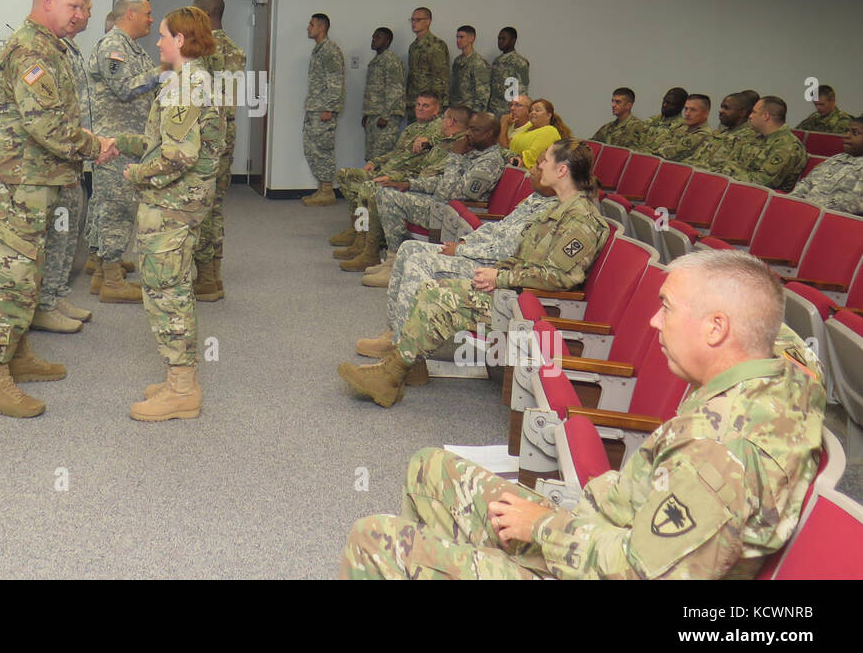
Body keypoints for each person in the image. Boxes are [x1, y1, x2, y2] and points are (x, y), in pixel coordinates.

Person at [341, 248, 825, 579]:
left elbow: (639, 571)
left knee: (374, 539)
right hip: (600, 529)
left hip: (602, 562)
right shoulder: (782, 371)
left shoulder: (720, 458)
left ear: (717, 328)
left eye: (667, 308)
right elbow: (775, 332)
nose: (654, 320)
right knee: (429, 468)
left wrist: (540, 527)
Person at [339, 140, 608, 409]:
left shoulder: (581, 219)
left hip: (526, 304)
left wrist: (499, 278)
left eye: (545, 160)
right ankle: (395, 371)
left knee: (437, 295)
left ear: (562, 170)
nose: (538, 166)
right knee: (433, 288)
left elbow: (558, 277)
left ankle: (391, 375)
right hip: (512, 288)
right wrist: (499, 273)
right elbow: (523, 257)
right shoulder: (555, 207)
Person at [0, 0, 117, 419]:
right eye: (73, 7)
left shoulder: (50, 45)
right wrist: (93, 147)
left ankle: (17, 354)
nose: (80, 15)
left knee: (27, 274)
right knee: (5, 277)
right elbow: (45, 125)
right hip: (14, 183)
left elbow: (54, 117)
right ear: (47, 1)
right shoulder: (31, 49)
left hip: (36, 179)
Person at [113, 7, 225, 421]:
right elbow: (158, 140)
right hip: (181, 203)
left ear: (179, 40)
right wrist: (119, 142)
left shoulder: (186, 86)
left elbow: (178, 155)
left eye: (162, 35)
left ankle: (182, 390)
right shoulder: (187, 82)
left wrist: (137, 173)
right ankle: (179, 379)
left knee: (168, 291)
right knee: (171, 285)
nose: (157, 41)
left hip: (173, 205)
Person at [358, 160, 556, 341]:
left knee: (419, 262)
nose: (530, 170)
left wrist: (461, 251)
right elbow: (496, 228)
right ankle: (394, 332)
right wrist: (463, 244)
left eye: (539, 165)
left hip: (496, 271)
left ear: (560, 172)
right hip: (483, 257)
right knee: (408, 248)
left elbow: (508, 251)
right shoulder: (536, 198)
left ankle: (402, 347)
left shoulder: (555, 211)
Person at [87, 0, 163, 301]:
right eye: (147, 13)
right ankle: (112, 282)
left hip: (127, 140)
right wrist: (164, 71)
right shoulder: (114, 46)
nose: (151, 19)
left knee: (112, 206)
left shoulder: (132, 48)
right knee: (117, 208)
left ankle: (103, 269)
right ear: (130, 14)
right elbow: (124, 88)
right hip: (114, 142)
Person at [370, 111, 508, 268]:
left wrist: (455, 156)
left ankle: (394, 263)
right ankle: (395, 257)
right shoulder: (476, 152)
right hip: (444, 206)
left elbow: (449, 194)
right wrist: (409, 184)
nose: (468, 133)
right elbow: (442, 182)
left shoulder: (489, 162)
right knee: (387, 190)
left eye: (475, 130)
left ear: (489, 134)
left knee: (389, 197)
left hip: (454, 214)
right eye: (468, 128)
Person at [35, 0, 95, 332]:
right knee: (56, 230)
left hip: (73, 155)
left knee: (68, 227)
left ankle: (56, 294)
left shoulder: (68, 49)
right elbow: (47, 118)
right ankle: (44, 302)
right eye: (75, 7)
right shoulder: (42, 50)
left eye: (83, 8)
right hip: (56, 158)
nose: (81, 15)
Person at [330, 93, 442, 249]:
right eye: (418, 104)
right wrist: (375, 162)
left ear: (437, 110)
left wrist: (429, 140)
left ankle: (367, 238)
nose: (420, 109)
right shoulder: (412, 128)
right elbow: (396, 152)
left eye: (426, 105)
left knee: (368, 186)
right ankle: (357, 227)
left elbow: (450, 138)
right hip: (387, 169)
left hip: (405, 175)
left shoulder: (440, 128)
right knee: (345, 175)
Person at [191, 0, 247, 302]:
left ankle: (207, 278)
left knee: (203, 206)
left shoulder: (205, 51)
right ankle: (214, 275)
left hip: (205, 137)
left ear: (205, 14)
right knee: (216, 206)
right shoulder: (236, 50)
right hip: (226, 135)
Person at [302, 13, 346, 206]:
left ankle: (327, 191)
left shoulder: (329, 50)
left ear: (322, 28)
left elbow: (336, 82)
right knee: (313, 149)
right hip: (315, 108)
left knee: (322, 149)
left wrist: (329, 108)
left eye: (311, 25)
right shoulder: (319, 50)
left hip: (323, 110)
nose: (308, 28)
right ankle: (322, 189)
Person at [728, 96, 807, 192]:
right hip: (740, 188)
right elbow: (735, 162)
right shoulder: (757, 137)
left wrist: (729, 172)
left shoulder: (787, 146)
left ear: (765, 116)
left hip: (762, 198)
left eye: (754, 112)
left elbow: (763, 182)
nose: (750, 116)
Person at [791, 116, 863, 214]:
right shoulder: (837, 158)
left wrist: (813, 205)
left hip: (833, 219)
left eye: (855, 133)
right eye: (847, 131)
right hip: (806, 211)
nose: (847, 135)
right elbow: (807, 182)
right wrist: (792, 201)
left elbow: (857, 202)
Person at [361, 26, 406, 163]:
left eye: (378, 37)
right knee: (371, 157)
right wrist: (367, 115)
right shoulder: (376, 61)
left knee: (382, 157)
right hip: (374, 116)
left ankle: (383, 184)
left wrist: (386, 116)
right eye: (373, 37)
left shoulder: (391, 61)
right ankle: (372, 184)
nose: (374, 40)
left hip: (385, 117)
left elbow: (396, 90)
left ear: (387, 41)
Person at [691, 90, 756, 172]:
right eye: (721, 107)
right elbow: (695, 157)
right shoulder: (718, 133)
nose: (720, 111)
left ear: (742, 113)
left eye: (726, 108)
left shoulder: (749, 138)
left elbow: (731, 170)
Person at [405, 6, 448, 119]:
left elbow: (440, 79)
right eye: (412, 20)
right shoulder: (413, 46)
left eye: (418, 20)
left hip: (429, 105)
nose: (414, 23)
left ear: (428, 21)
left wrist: (437, 107)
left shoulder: (436, 45)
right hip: (414, 102)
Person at [507, 97, 568, 169]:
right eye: (531, 110)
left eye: (537, 110)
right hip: (512, 166)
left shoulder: (549, 131)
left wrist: (516, 158)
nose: (533, 112)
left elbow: (532, 157)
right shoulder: (526, 130)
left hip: (528, 172)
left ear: (549, 115)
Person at [655, 94, 712, 163]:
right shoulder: (682, 127)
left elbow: (671, 153)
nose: (687, 114)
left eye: (693, 110)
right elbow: (660, 141)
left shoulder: (703, 134)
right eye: (686, 109)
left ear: (706, 113)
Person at [487, 26, 529, 117]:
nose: (500, 41)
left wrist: (517, 110)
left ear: (513, 40)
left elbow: (522, 90)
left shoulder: (519, 62)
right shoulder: (497, 61)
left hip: (508, 110)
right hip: (493, 109)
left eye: (504, 39)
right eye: (499, 39)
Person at [449, 26, 491, 112]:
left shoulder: (478, 62)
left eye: (461, 37)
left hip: (469, 110)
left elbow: (482, 94)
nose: (458, 40)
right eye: (457, 37)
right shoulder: (458, 60)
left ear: (471, 38)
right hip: (456, 108)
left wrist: (476, 114)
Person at [636, 86, 688, 152]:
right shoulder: (653, 119)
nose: (664, 105)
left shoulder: (682, 127)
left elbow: (668, 153)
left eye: (670, 103)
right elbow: (637, 140)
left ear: (681, 106)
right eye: (664, 101)